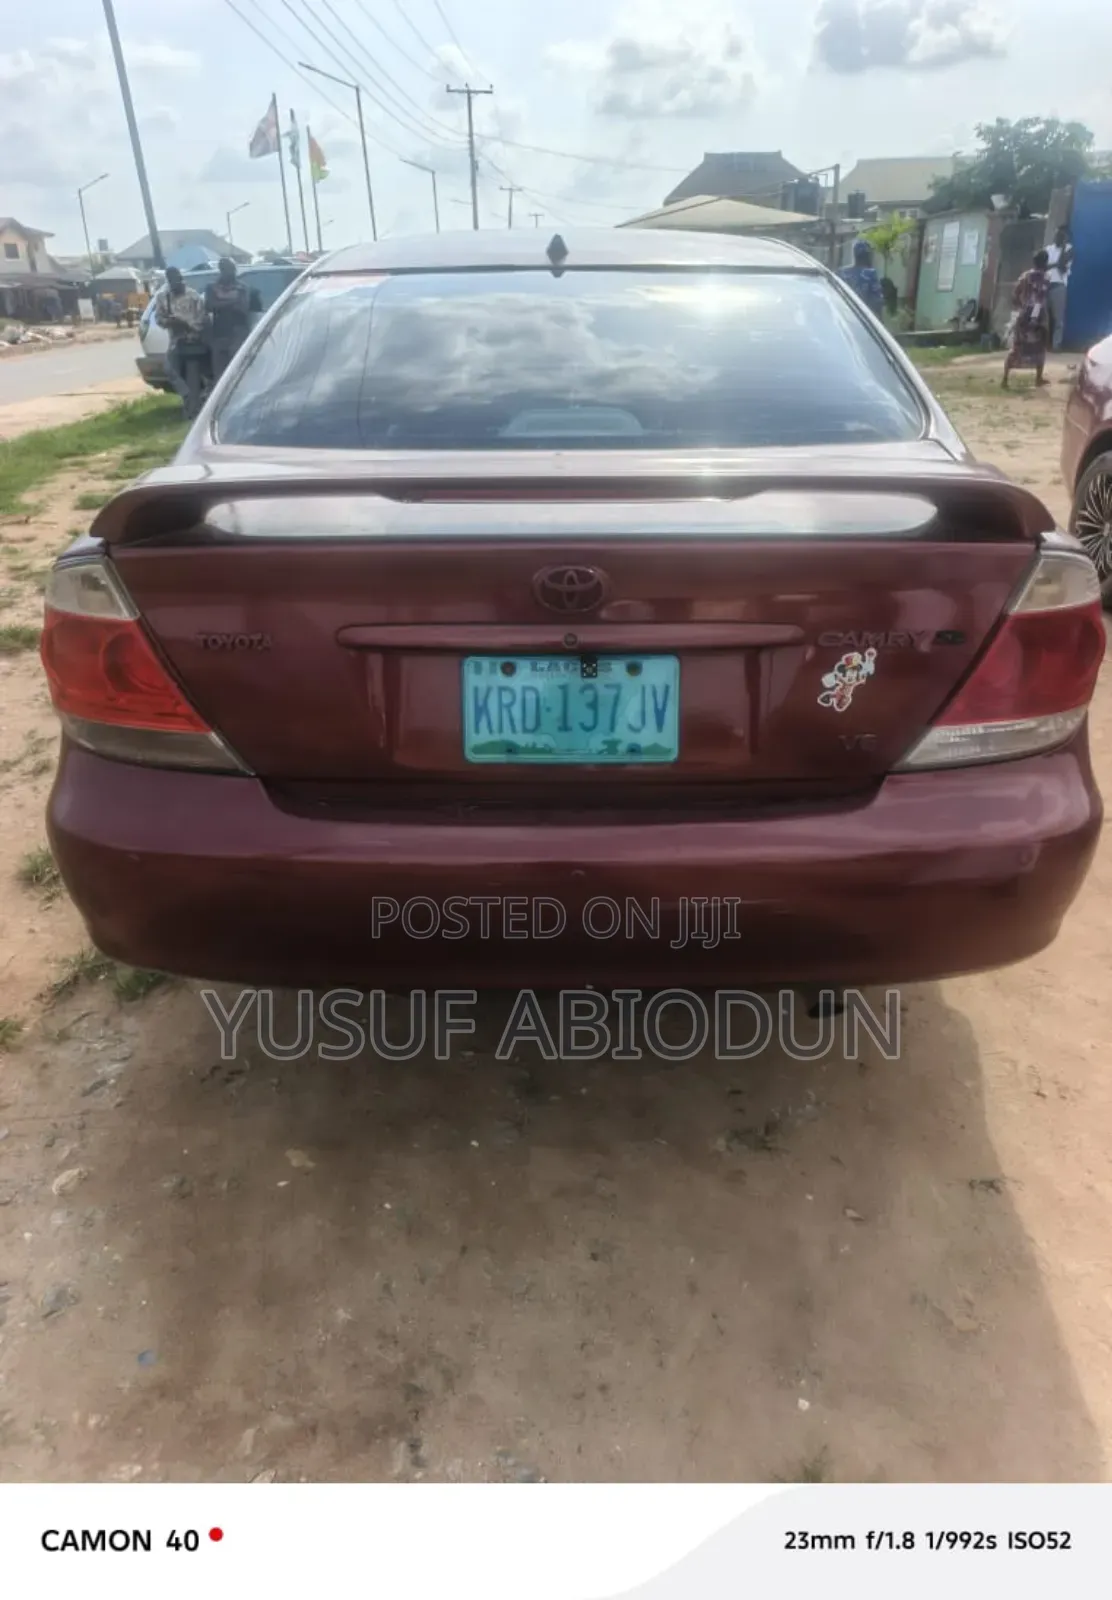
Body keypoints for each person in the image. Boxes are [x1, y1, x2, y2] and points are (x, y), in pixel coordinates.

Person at [153, 267, 208, 418]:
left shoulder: (193, 296)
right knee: (170, 369)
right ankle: (188, 396)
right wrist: (169, 322)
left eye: (176, 279)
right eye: (170, 280)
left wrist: (187, 326)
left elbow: (202, 318)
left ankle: (192, 410)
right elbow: (158, 318)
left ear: (181, 278)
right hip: (175, 341)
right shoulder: (163, 297)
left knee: (193, 377)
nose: (174, 283)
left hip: (193, 341)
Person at [1002, 249, 1052, 389]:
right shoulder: (1045, 278)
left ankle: (1005, 379)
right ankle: (1038, 378)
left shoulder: (1024, 276)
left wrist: (1021, 308)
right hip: (1037, 316)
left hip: (1023, 315)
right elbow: (1039, 300)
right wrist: (1035, 318)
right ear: (1045, 262)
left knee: (1017, 347)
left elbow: (1014, 295)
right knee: (1040, 347)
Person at [204, 257, 251, 381]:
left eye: (233, 269)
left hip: (238, 332)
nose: (233, 272)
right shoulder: (211, 287)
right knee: (220, 373)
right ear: (222, 270)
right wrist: (232, 302)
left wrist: (221, 303)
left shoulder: (242, 287)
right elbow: (209, 306)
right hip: (219, 333)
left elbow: (243, 308)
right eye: (229, 269)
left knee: (239, 370)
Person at [839, 240, 886, 320]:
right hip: (863, 321)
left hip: (843, 319)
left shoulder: (842, 272)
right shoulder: (870, 273)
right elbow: (877, 302)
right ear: (868, 256)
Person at [1046, 225, 1074, 352]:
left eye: (1061, 236)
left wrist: (1063, 247)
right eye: (1056, 235)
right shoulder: (1048, 249)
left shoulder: (1069, 249)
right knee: (1042, 316)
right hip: (1045, 286)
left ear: (1065, 238)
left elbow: (1062, 267)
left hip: (1059, 286)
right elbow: (1041, 266)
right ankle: (1042, 344)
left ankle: (1056, 345)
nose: (1057, 237)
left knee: (1058, 319)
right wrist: (1054, 265)